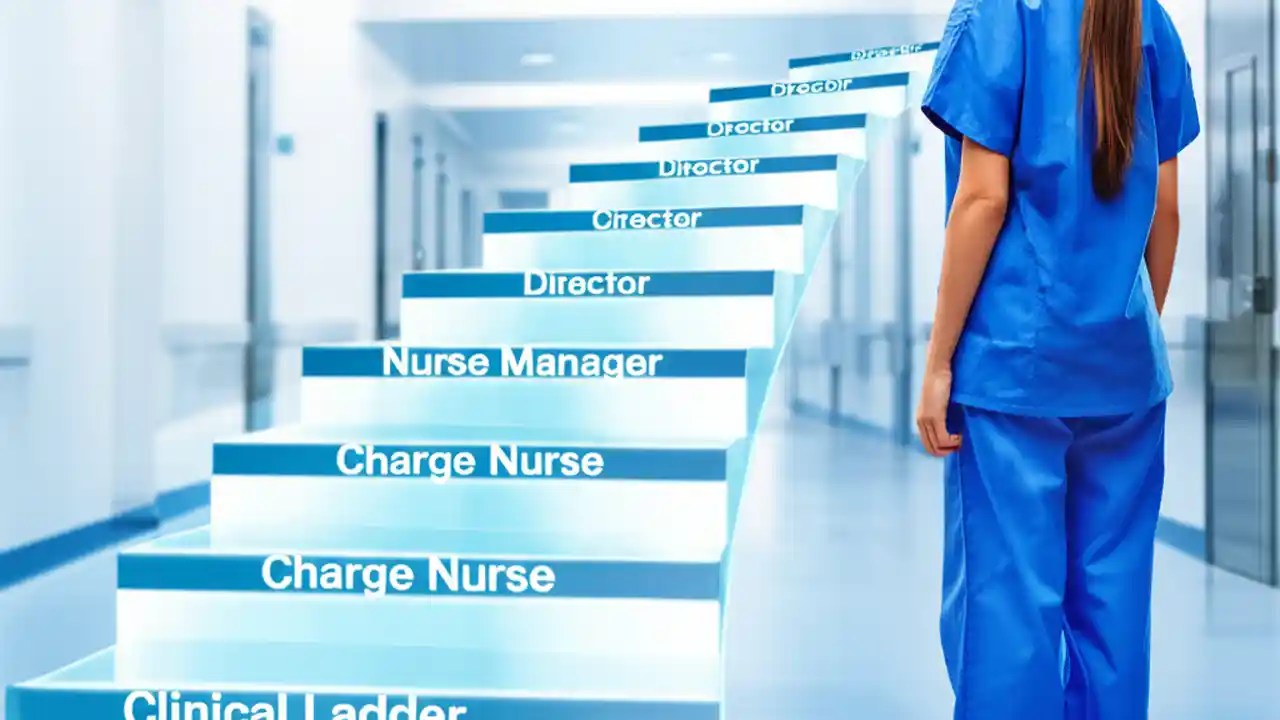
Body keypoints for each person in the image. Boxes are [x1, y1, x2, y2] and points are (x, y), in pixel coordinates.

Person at [915, 0, 1200, 717]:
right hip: (1125, 372)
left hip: (1015, 369)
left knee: (1009, 615)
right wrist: (1122, 329)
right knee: (1114, 611)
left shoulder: (997, 13)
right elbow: (1164, 208)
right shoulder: (1148, 18)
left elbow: (982, 198)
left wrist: (940, 361)